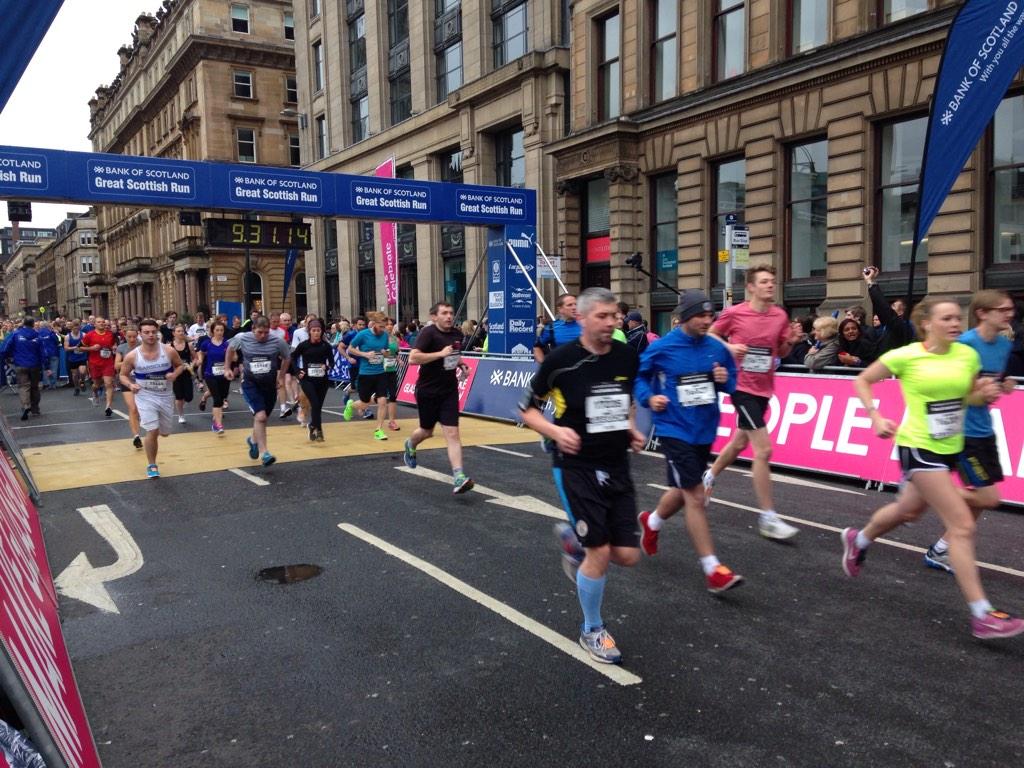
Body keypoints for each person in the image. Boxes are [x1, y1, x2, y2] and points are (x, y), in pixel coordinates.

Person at [841, 296, 1023, 640]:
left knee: (907, 512)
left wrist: (985, 393)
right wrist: (875, 415)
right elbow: (862, 380)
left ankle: (858, 538)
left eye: (958, 318)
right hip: (919, 447)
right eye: (948, 319)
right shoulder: (906, 356)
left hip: (953, 445)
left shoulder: (966, 355)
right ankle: (983, 614)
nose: (956, 324)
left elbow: (967, 398)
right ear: (927, 324)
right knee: (960, 525)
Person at [519, 287, 645, 665]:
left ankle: (574, 544)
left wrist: (631, 428)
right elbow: (527, 410)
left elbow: (628, 400)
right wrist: (556, 432)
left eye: (615, 316)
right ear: (583, 319)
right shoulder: (560, 360)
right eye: (603, 316)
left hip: (617, 464)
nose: (611, 323)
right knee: (601, 552)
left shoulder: (626, 355)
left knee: (627, 556)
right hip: (576, 466)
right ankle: (592, 629)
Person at [634, 290, 743, 593]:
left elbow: (732, 382)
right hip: (673, 428)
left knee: (682, 491)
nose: (708, 321)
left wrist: (725, 380)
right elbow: (639, 376)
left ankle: (652, 522)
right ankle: (713, 569)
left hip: (704, 429)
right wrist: (649, 396)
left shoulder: (715, 348)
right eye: (701, 316)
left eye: (711, 316)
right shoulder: (664, 347)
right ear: (684, 317)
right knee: (694, 495)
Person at [923, 290, 1018, 573]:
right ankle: (931, 491)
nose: (1009, 314)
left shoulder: (1003, 345)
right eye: (1003, 309)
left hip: (984, 429)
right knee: (990, 497)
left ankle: (940, 550)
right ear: (983, 313)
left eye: (1010, 309)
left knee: (979, 500)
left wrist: (1004, 384)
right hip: (961, 431)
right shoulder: (964, 344)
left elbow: (989, 383)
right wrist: (977, 390)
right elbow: (944, 385)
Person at [704, 264, 801, 540]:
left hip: (764, 388)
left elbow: (779, 350)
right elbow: (711, 334)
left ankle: (709, 476)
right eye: (765, 281)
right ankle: (768, 517)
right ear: (751, 287)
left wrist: (790, 342)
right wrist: (730, 347)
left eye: (772, 281)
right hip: (741, 386)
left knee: (739, 442)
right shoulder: (735, 313)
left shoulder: (780, 315)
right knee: (764, 450)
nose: (771, 285)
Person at [402, 302, 474, 493]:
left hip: (449, 390)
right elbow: (413, 358)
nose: (449, 316)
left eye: (451, 313)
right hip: (427, 391)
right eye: (444, 313)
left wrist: (462, 364)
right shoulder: (428, 333)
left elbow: (454, 355)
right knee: (426, 431)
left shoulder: (457, 334)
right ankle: (410, 444)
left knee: (452, 433)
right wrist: (439, 354)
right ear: (434, 316)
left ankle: (458, 476)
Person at [119, 319, 186, 479]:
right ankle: (152, 464)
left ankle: (157, 441)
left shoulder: (168, 351)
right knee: (152, 430)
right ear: (140, 334)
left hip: (165, 396)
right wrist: (130, 384)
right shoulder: (132, 356)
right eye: (146, 332)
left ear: (157, 333)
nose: (150, 335)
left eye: (153, 332)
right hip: (145, 396)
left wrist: (174, 374)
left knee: (164, 433)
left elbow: (180, 365)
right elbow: (122, 375)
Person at [225, 316, 291, 466]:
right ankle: (265, 453)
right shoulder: (242, 337)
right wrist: (227, 368)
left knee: (262, 418)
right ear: (253, 329)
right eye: (260, 332)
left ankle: (253, 440)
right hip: (250, 383)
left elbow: (287, 358)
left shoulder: (277, 341)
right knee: (260, 416)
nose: (263, 336)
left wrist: (280, 377)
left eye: (266, 332)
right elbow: (230, 349)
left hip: (269, 385)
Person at [342, 311, 391, 440]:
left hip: (380, 373)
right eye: (380, 326)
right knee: (364, 404)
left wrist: (385, 353)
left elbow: (386, 351)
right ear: (374, 324)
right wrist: (365, 354)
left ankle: (378, 430)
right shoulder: (363, 334)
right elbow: (350, 349)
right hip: (365, 373)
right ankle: (351, 405)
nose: (383, 329)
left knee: (382, 401)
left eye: (384, 326)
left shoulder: (385, 335)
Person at [291, 319, 335, 441]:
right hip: (307, 380)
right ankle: (318, 430)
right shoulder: (304, 345)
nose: (316, 333)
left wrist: (327, 367)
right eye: (313, 330)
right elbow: (292, 357)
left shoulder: (325, 346)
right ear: (309, 332)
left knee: (317, 407)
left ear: (322, 332)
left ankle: (313, 426)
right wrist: (297, 371)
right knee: (314, 403)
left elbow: (332, 361)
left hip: (322, 380)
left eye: (318, 330)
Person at [0, 318, 47, 421]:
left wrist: (8, 357)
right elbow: (43, 352)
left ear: (24, 324)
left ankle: (26, 406)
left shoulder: (15, 334)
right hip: (35, 365)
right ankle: (35, 409)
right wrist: (45, 365)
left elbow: (5, 348)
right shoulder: (38, 336)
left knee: (23, 386)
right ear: (33, 324)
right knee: (35, 387)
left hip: (20, 364)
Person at [863, 266, 914, 354]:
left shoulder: (902, 326)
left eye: (893, 306)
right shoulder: (888, 327)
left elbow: (883, 307)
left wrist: (870, 282)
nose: (890, 307)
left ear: (901, 312)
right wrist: (873, 281)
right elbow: (880, 308)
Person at [196, 319, 231, 435]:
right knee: (217, 399)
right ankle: (218, 424)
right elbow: (200, 352)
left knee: (221, 396)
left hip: (224, 375)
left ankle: (205, 401)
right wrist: (200, 359)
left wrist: (232, 359)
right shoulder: (207, 343)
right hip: (210, 374)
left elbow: (233, 356)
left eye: (221, 330)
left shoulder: (227, 343)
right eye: (217, 330)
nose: (220, 332)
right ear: (212, 331)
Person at [83, 317, 118, 417]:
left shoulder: (110, 334)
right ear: (95, 324)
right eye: (99, 322)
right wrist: (91, 348)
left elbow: (113, 345)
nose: (102, 323)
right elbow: (79, 348)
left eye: (103, 322)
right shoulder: (89, 335)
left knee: (108, 383)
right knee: (96, 385)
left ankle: (108, 407)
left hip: (108, 363)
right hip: (95, 363)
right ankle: (95, 393)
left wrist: (114, 347)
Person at [115, 326, 143, 449]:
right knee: (133, 408)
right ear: (125, 336)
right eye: (129, 337)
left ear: (137, 335)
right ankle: (136, 436)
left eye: (134, 337)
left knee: (143, 409)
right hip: (127, 381)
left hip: (143, 381)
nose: (132, 339)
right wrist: (129, 361)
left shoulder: (143, 346)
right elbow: (116, 365)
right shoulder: (121, 348)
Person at [533, 293, 580, 362]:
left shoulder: (587, 325)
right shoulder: (551, 328)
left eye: (576, 304)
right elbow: (537, 347)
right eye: (569, 305)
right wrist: (544, 365)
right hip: (562, 370)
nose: (574, 307)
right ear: (560, 309)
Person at [64, 320, 89, 396]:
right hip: (73, 358)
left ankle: (82, 381)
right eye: (74, 328)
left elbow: (88, 345)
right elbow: (66, 348)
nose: (76, 330)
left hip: (82, 357)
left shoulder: (84, 335)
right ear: (71, 328)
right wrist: (75, 347)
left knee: (82, 372)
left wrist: (83, 348)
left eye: (77, 328)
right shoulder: (68, 336)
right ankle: (76, 388)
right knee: (75, 375)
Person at [37, 322, 61, 390]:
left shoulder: (38, 333)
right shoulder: (51, 333)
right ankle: (53, 384)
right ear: (48, 326)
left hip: (43, 354)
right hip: (53, 353)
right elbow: (57, 341)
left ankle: (46, 384)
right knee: (54, 368)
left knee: (45, 369)